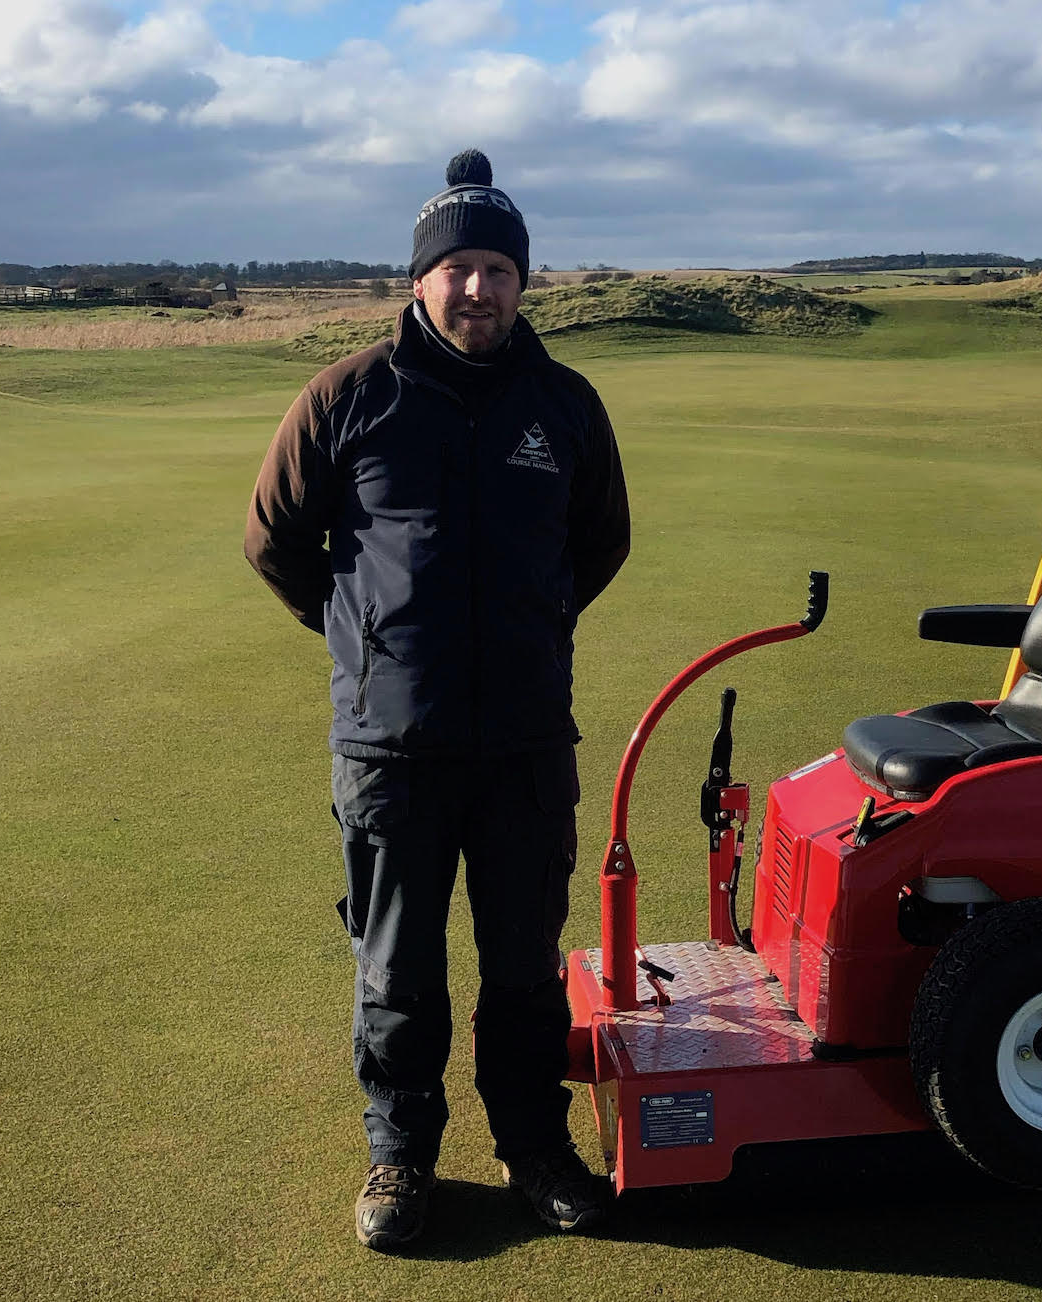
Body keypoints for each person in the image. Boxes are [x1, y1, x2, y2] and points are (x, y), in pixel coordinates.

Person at [244, 148, 631, 1251]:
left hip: (522, 746)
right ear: (419, 280)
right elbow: (275, 540)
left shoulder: (564, 406)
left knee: (522, 971)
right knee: (398, 973)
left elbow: (600, 542)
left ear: (523, 282)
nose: (478, 288)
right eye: (457, 266)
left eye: (499, 268)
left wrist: (537, 624)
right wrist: (359, 638)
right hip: (390, 751)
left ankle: (533, 1148)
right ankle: (402, 1157)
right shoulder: (347, 396)